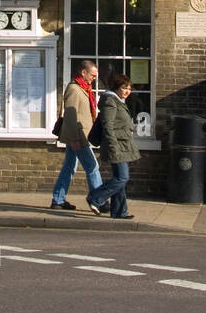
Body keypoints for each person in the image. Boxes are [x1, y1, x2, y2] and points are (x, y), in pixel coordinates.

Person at [49, 59, 104, 212]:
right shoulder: (74, 89)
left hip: (81, 135)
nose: (94, 78)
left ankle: (58, 200)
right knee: (92, 167)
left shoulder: (84, 88)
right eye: (92, 75)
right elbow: (71, 116)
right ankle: (99, 200)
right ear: (83, 72)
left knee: (69, 167)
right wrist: (75, 139)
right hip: (79, 137)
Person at [88, 73, 140, 219]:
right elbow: (108, 126)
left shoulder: (119, 101)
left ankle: (120, 212)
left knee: (119, 178)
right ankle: (95, 198)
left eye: (129, 88)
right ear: (116, 88)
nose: (127, 91)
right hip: (116, 146)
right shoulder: (110, 101)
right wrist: (113, 147)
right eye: (124, 88)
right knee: (122, 178)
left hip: (123, 145)